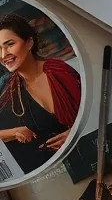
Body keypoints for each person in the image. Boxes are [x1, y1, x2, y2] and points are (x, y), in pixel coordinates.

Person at [0, 14, 81, 173]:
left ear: (29, 42)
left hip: (85, 151)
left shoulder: (58, 71)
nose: (3, 55)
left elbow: (95, 107)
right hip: (51, 169)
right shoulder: (12, 90)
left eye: (10, 44)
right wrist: (15, 132)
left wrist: (74, 133)